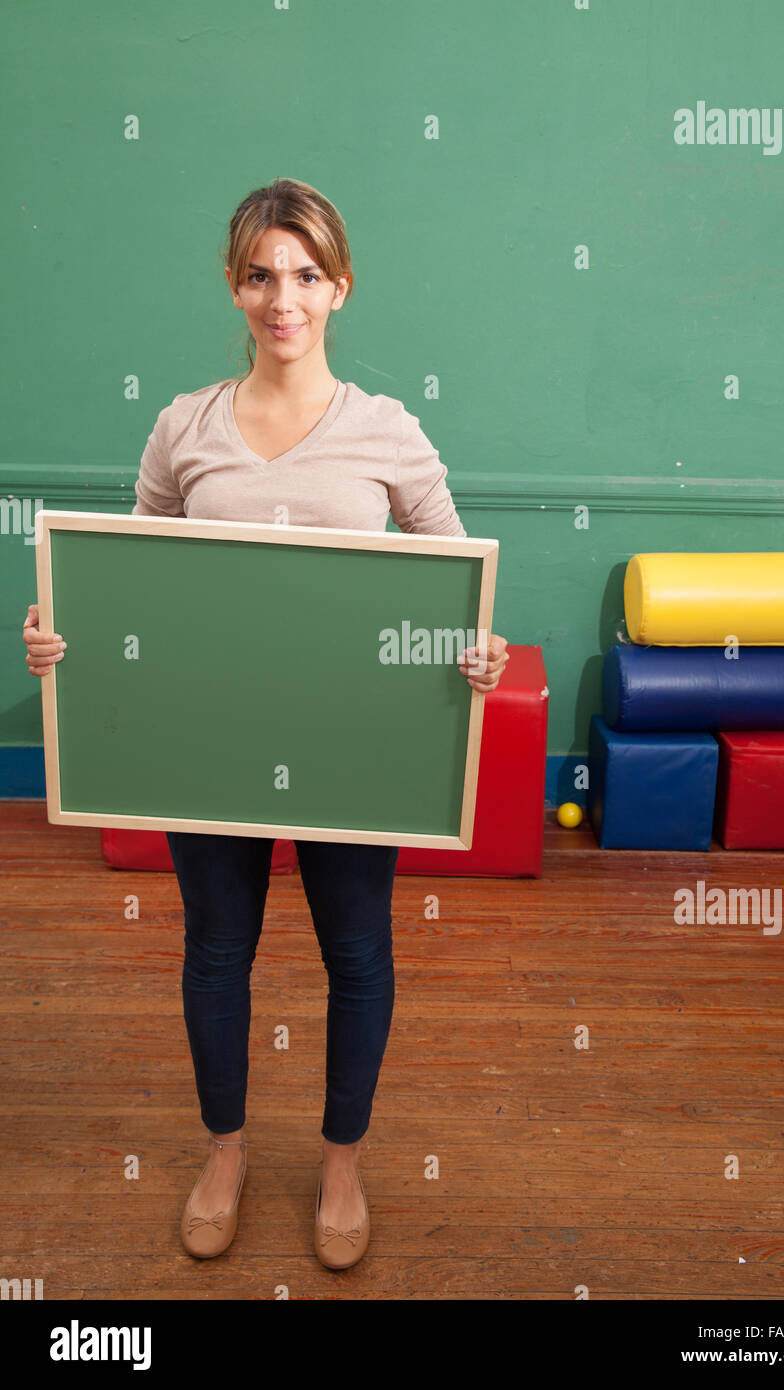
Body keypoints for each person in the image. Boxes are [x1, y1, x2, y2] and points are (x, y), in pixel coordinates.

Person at [23, 177, 509, 1271]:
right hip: (214, 749)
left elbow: (457, 583)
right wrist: (64, 632)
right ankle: (227, 1149)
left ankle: (340, 1161)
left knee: (356, 954)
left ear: (338, 286)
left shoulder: (388, 430)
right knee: (215, 951)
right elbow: (124, 579)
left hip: (353, 749)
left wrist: (478, 652)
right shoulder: (181, 426)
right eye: (258, 274)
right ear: (234, 287)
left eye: (301, 274)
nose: (279, 297)